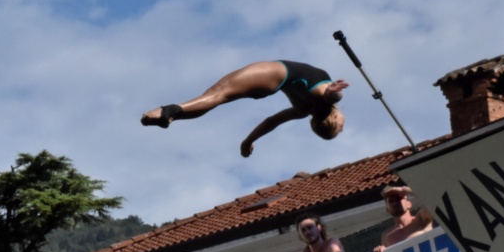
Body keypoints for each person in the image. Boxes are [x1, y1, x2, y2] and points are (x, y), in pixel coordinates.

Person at [141, 61, 349, 157]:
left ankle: (167, 111)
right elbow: (271, 122)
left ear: (333, 119)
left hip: (274, 74)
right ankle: (171, 116)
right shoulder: (303, 111)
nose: (343, 126)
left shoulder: (327, 99)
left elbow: (333, 95)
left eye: (340, 128)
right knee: (215, 98)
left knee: (216, 94)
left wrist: (332, 91)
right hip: (268, 88)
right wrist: (247, 142)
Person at [373, 185, 435, 252]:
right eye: (390, 201)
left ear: (409, 204)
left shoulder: (421, 219)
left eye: (398, 199)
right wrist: (381, 250)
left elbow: (433, 200)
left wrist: (403, 189)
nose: (394, 203)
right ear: (387, 210)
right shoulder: (387, 236)